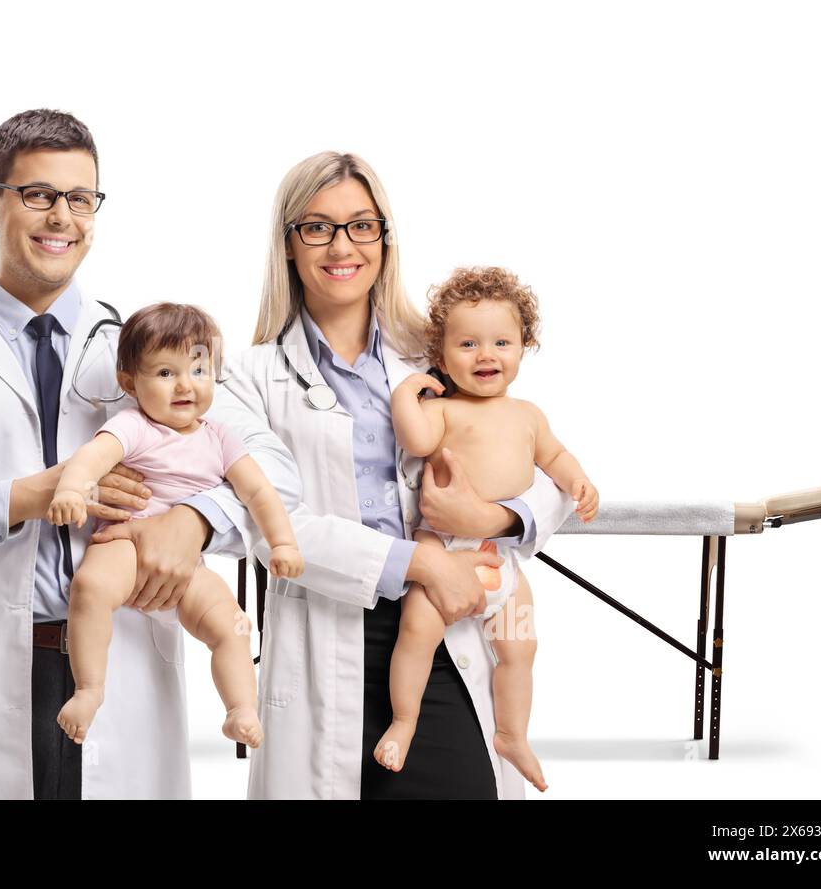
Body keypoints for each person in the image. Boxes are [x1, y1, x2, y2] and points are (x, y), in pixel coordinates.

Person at [0, 109, 299, 799]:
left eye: (80, 199)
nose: (62, 217)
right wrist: (31, 494)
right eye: (39, 195)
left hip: (127, 657)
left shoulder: (153, 351)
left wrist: (194, 520)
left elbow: (278, 476)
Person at [198, 151, 579, 799]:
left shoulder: (441, 348)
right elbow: (273, 526)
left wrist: (493, 519)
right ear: (288, 243)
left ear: (384, 237)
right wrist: (420, 562)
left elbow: (534, 453)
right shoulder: (247, 376)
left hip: (449, 630)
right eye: (316, 226)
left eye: (360, 225)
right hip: (330, 633)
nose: (340, 245)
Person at [377, 264, 600, 791]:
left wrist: (580, 480)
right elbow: (414, 440)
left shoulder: (528, 414)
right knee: (416, 636)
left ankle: (512, 734)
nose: (486, 355)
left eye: (502, 341)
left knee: (520, 647)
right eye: (468, 343)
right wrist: (406, 396)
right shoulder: (447, 411)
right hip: (444, 549)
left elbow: (555, 457)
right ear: (442, 353)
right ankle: (404, 723)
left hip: (503, 559)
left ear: (524, 346)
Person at [47, 302, 303, 748]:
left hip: (188, 562)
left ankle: (240, 708)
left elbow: (260, 491)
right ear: (130, 383)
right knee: (91, 589)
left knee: (232, 624)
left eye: (199, 370)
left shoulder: (220, 436)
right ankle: (89, 689)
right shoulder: (133, 425)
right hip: (122, 542)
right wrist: (72, 491)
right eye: (165, 373)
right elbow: (91, 458)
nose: (185, 385)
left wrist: (282, 544)